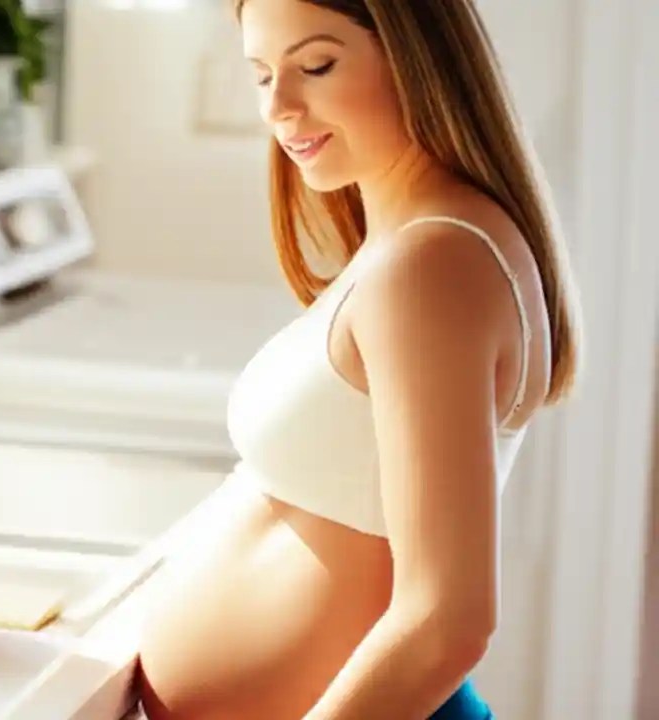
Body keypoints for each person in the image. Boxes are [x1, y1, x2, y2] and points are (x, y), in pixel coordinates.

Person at [135, 1, 582, 718]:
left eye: (316, 65)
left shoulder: (433, 261)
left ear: (417, 55)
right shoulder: (413, 246)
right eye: (260, 75)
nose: (279, 106)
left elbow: (447, 622)